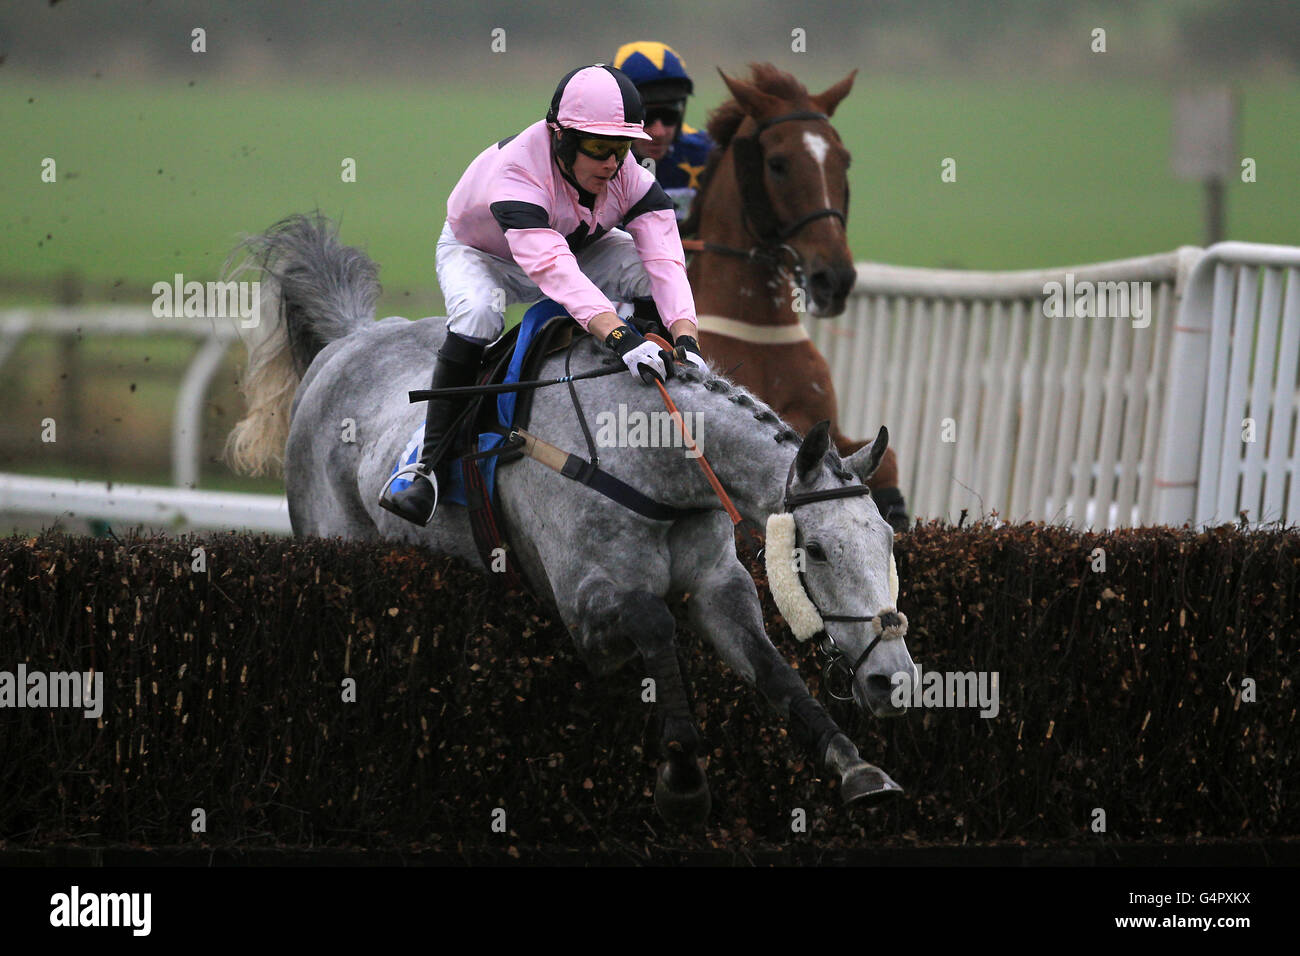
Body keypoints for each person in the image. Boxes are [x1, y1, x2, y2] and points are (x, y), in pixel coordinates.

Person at [380, 64, 708, 528]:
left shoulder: (628, 174)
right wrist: (619, 334)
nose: (613, 164)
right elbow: (554, 270)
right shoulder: (518, 173)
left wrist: (687, 337)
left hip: (573, 245)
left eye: (621, 148)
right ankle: (425, 468)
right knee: (479, 316)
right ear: (560, 137)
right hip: (485, 255)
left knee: (645, 274)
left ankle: (648, 405)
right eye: (597, 148)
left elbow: (666, 261)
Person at [612, 41, 715, 230]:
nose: (659, 132)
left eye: (670, 116)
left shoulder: (708, 154)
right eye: (646, 117)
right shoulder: (590, 159)